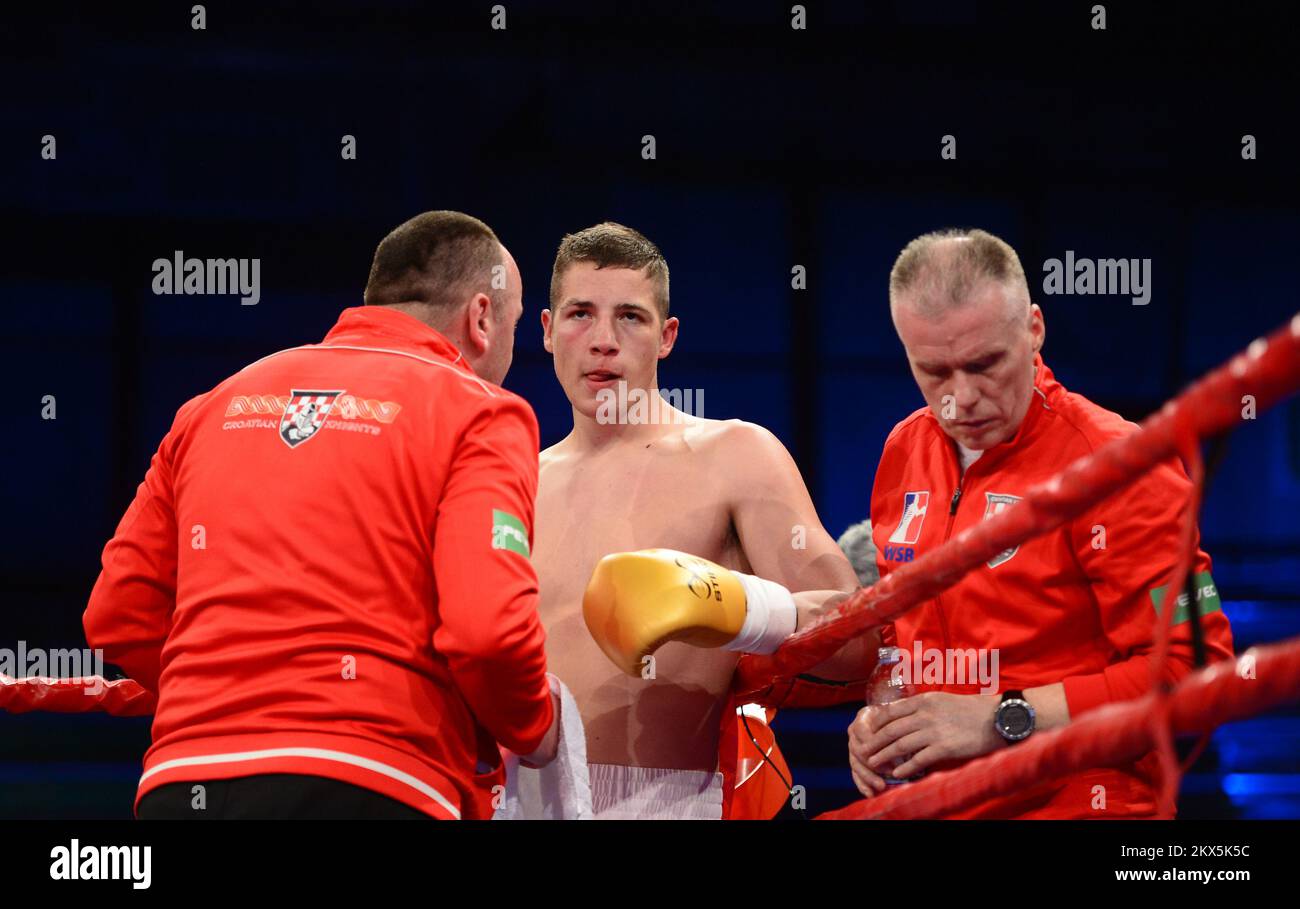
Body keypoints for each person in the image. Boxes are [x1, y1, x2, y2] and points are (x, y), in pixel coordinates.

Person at [85, 210, 559, 820]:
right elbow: (487, 632)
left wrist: (228, 693)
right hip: (370, 780)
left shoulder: (214, 405)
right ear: (482, 318)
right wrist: (533, 728)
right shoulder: (480, 411)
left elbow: (118, 614)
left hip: (181, 785)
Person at [848, 228, 1234, 818]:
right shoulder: (904, 448)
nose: (961, 399)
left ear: (1034, 329)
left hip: (1082, 800)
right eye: (934, 372)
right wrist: (883, 713)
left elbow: (1194, 673)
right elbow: (902, 634)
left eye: (984, 364)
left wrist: (1004, 716)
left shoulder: (1120, 464)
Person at [534, 222, 873, 820]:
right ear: (547, 329)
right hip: (511, 800)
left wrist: (734, 605)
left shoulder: (736, 456)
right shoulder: (517, 481)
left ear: (667, 337)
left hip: (665, 801)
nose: (603, 340)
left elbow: (857, 640)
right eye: (580, 313)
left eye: (631, 317)